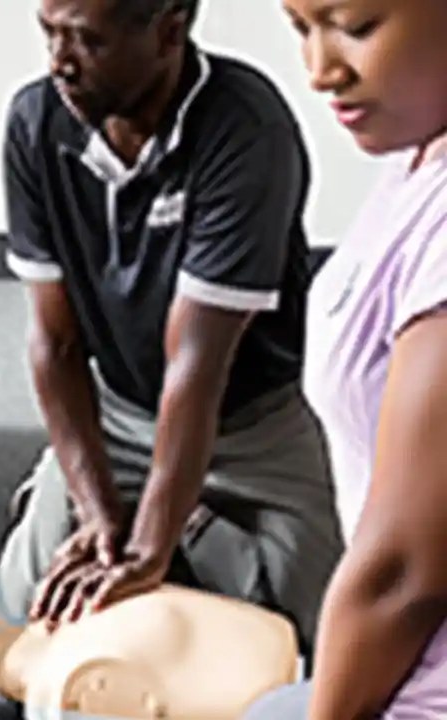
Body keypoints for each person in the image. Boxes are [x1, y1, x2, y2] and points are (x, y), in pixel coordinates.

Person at [0, 0, 345, 662]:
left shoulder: (247, 129)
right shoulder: (34, 123)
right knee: (16, 620)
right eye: (49, 33)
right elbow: (55, 345)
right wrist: (95, 508)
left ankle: (189, 524)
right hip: (121, 416)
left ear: (169, 30)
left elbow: (197, 364)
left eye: (86, 41)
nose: (59, 62)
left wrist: (152, 546)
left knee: (324, 639)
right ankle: (143, 516)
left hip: (255, 426)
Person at [243, 0, 447, 717]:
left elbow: (404, 577)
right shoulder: (419, 152)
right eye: (301, 28)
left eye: (356, 28)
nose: (321, 71)